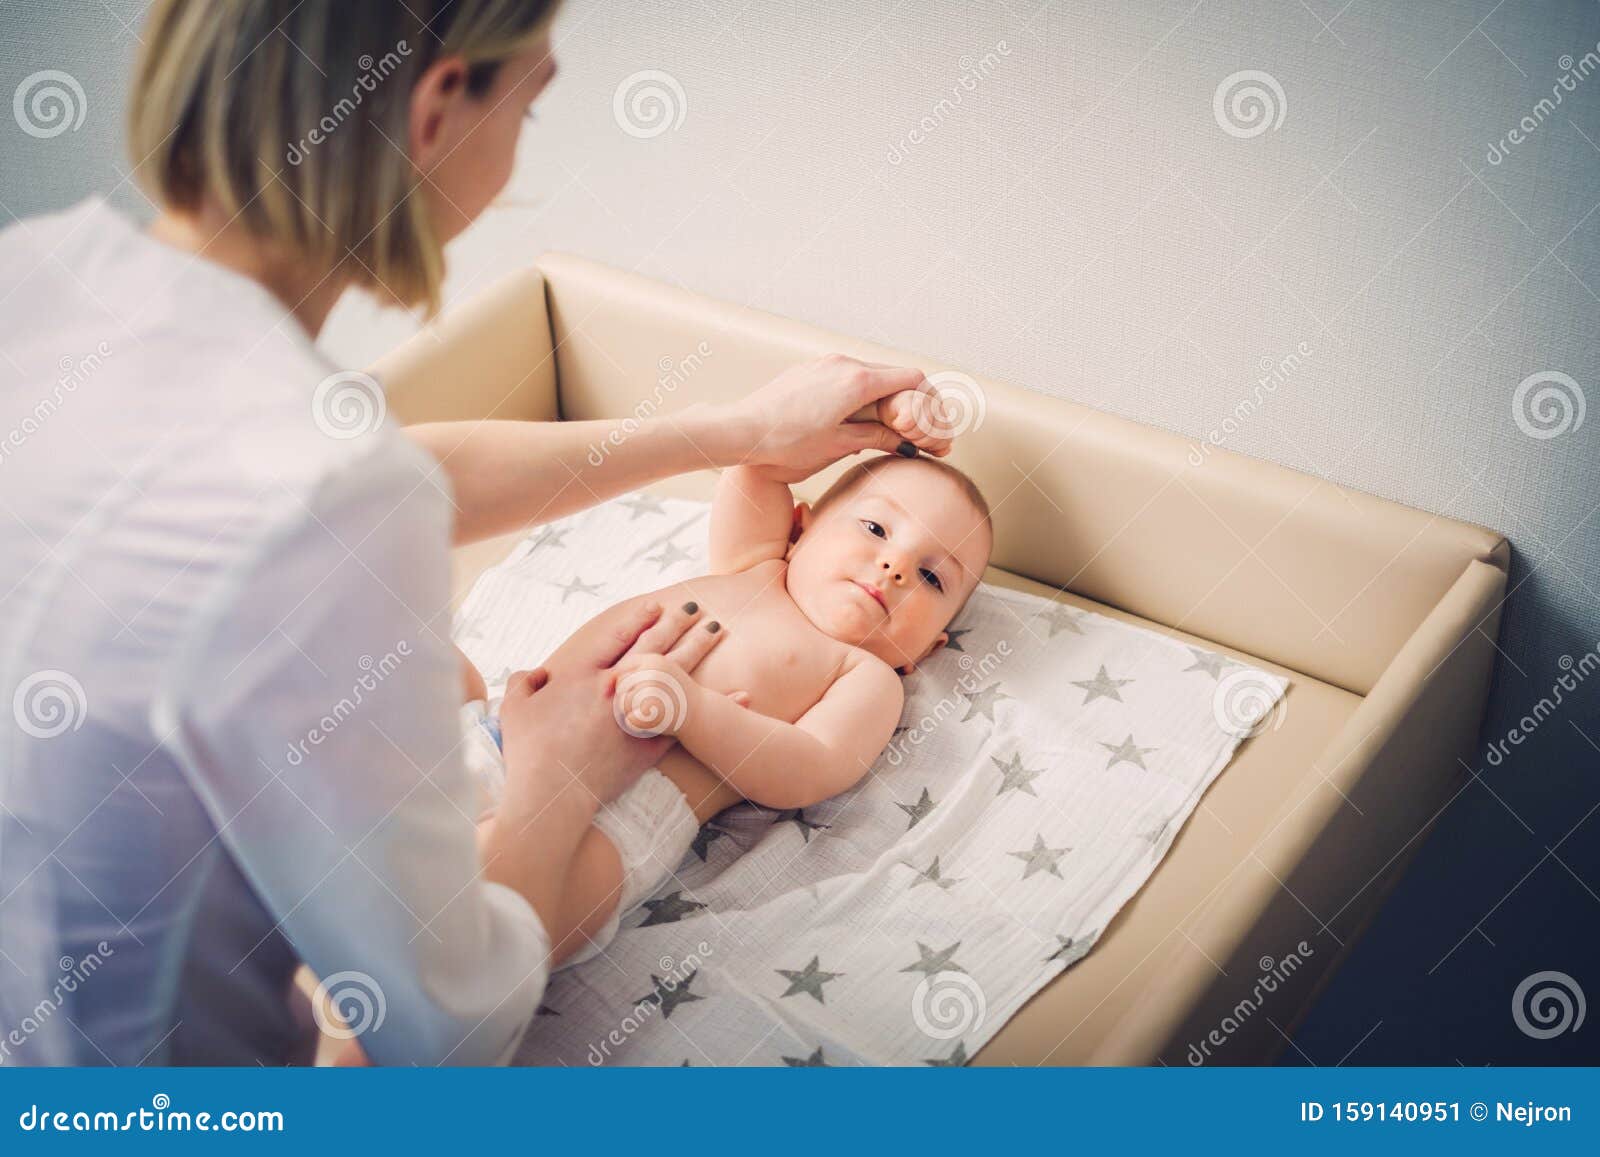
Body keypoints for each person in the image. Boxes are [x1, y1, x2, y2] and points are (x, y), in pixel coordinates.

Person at [0, 0, 946, 1066]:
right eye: (531, 107)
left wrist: (735, 429)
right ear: (441, 106)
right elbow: (439, 1031)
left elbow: (390, 470)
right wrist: (564, 779)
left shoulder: (32, 279)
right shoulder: (329, 499)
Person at [456, 449, 994, 977]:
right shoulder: (756, 562)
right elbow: (756, 461)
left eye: (932, 577)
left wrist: (692, 710)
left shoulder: (867, 676)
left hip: (619, 816)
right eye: (876, 528)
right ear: (800, 529)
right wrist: (862, 424)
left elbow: (809, 766)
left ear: (926, 650)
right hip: (504, 732)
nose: (894, 566)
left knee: (499, 935)